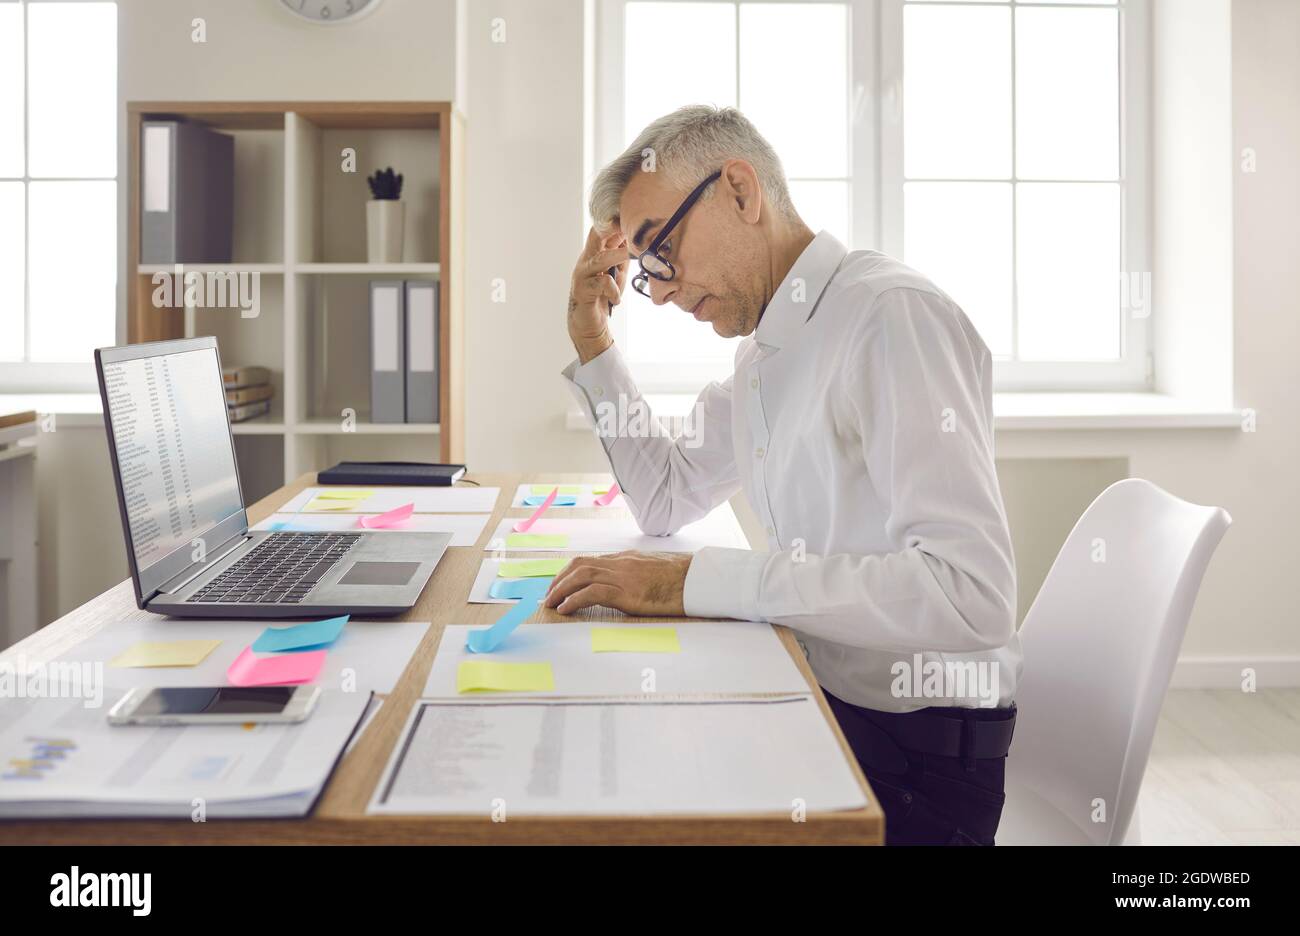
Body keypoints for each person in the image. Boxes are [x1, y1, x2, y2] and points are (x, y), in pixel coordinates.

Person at [545, 105, 1021, 845]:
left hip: (917, 767)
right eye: (644, 273)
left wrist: (696, 584)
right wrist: (593, 337)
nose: (662, 292)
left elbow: (971, 596)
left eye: (661, 250)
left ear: (740, 190)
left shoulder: (890, 318)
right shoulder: (772, 348)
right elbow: (666, 497)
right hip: (831, 704)